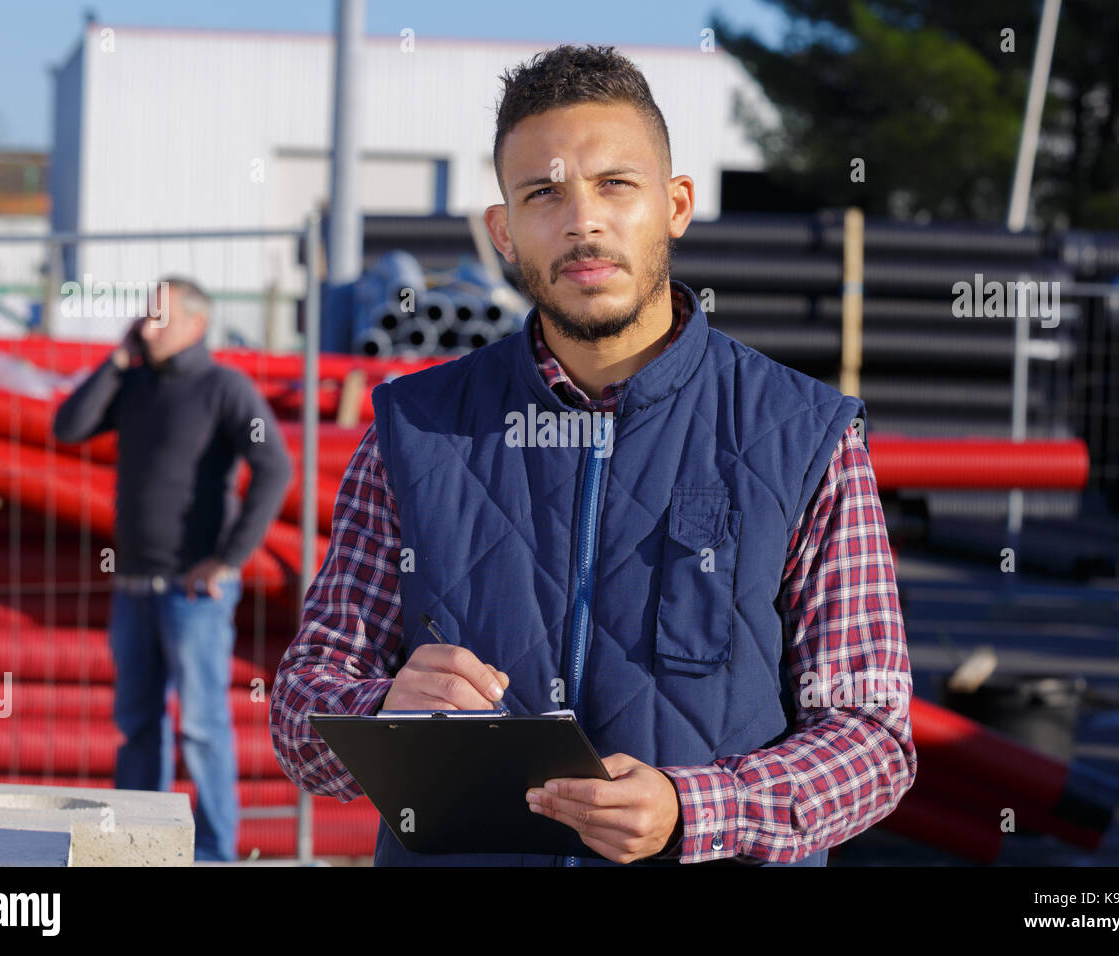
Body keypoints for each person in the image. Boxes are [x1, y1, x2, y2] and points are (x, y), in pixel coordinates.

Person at [271, 44, 915, 866]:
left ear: (676, 204)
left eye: (617, 184)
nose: (583, 221)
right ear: (503, 230)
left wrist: (694, 807)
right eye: (544, 193)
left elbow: (873, 736)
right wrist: (381, 706)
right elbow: (300, 710)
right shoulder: (415, 428)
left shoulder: (804, 435)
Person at [54, 276, 292, 862]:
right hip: (134, 584)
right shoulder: (134, 384)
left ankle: (213, 852)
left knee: (202, 728)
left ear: (195, 324)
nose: (146, 325)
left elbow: (275, 468)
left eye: (159, 317)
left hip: (194, 593)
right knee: (138, 723)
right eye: (144, 316)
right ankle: (138, 847)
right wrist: (116, 358)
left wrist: (229, 559)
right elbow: (68, 427)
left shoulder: (222, 388)